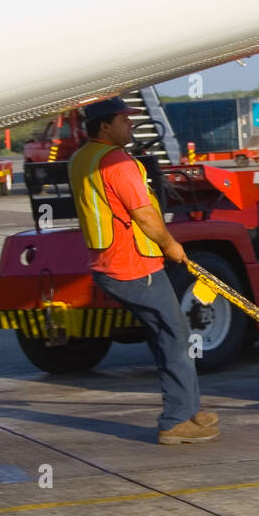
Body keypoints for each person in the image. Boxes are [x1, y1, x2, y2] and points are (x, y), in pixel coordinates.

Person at [69, 97, 220, 443]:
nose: (131, 125)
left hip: (108, 262)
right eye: (124, 120)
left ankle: (188, 408)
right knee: (176, 336)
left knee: (168, 335)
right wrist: (171, 245)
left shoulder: (81, 158)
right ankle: (175, 420)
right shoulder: (117, 162)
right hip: (135, 264)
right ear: (105, 126)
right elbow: (144, 213)